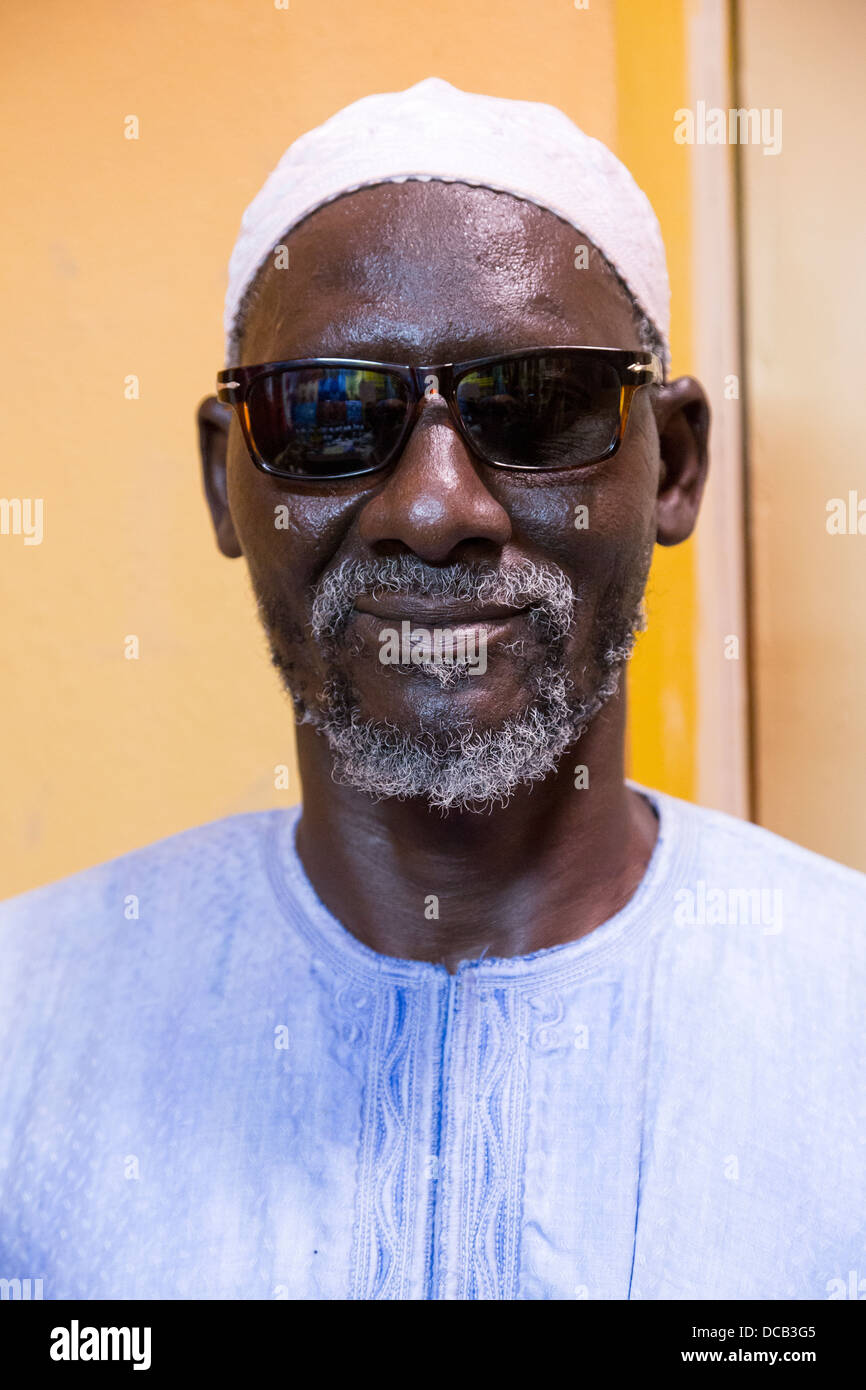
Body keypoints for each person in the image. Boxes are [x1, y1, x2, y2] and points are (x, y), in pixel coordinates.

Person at [1, 79, 864, 1301]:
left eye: (537, 403)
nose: (435, 507)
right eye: (330, 412)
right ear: (222, 483)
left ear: (671, 465)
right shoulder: (25, 1023)